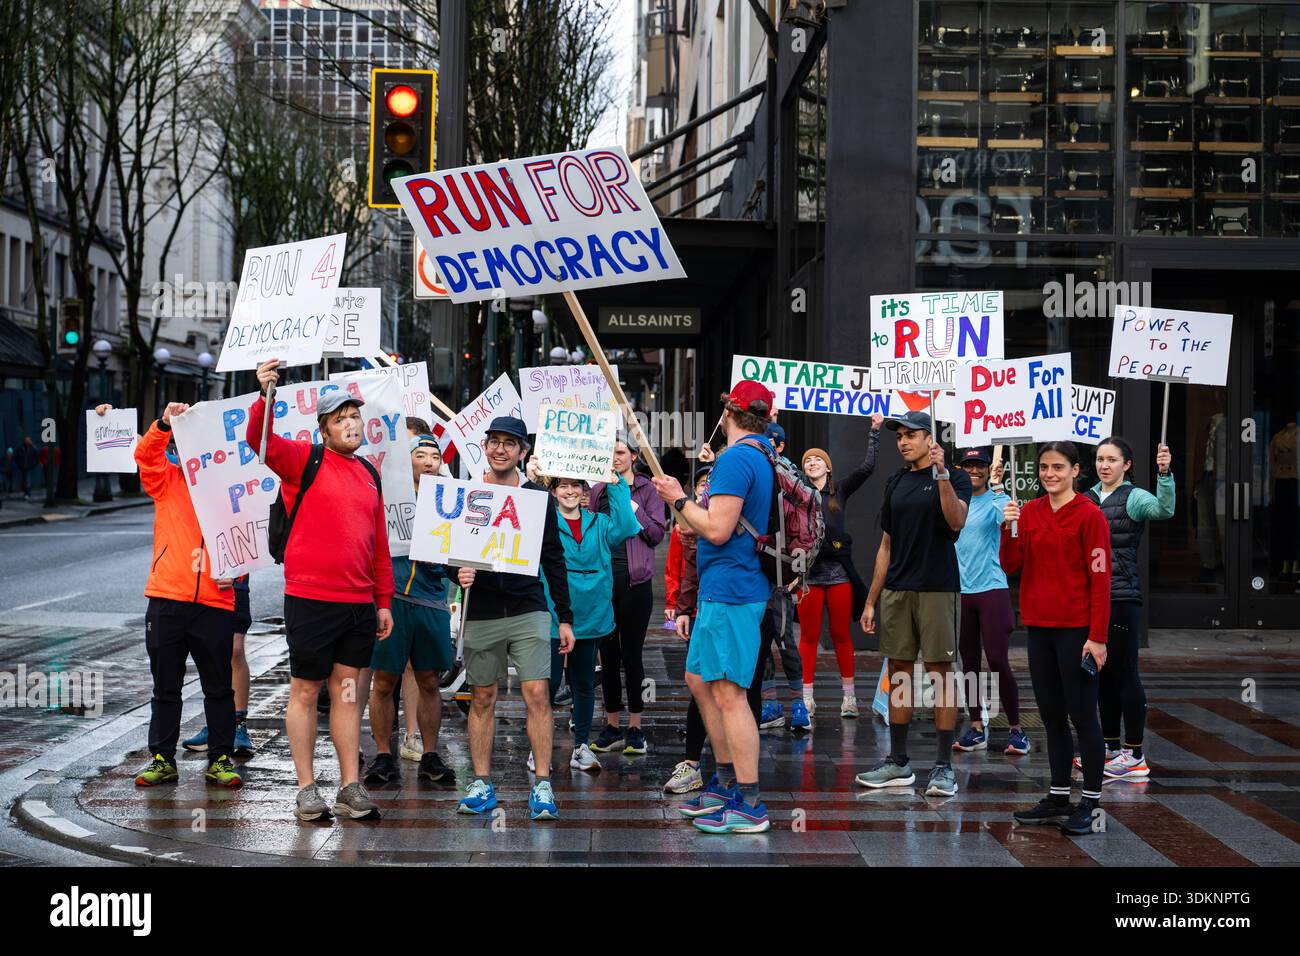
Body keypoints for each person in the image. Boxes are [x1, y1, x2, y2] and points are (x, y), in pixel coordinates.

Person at [248, 358, 394, 822]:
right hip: (310, 600)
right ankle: (307, 788)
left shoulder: (370, 474)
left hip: (357, 605)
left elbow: (379, 545)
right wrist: (264, 393)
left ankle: (350, 786)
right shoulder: (303, 459)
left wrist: (383, 601)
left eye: (355, 417)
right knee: (306, 691)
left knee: (348, 694)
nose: (351, 424)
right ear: (324, 429)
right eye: (340, 419)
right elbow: (260, 441)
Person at [652, 381, 776, 834]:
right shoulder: (760, 453)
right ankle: (726, 785)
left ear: (728, 414)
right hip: (722, 590)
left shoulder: (738, 458)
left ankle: (749, 802)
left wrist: (678, 499)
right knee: (699, 679)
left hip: (732, 590)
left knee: (729, 693)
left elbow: (718, 529)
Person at [453, 415, 574, 820]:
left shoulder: (538, 498)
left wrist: (565, 617)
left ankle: (542, 784)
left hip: (528, 608)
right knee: (482, 697)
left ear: (523, 452)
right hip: (482, 612)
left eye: (510, 443)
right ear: (485, 447)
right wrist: (457, 570)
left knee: (538, 694)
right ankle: (482, 782)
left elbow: (553, 558)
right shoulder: (469, 493)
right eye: (494, 442)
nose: (500, 448)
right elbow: (444, 548)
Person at [855, 410, 971, 798]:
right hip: (897, 590)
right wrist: (871, 599)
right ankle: (899, 762)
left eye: (910, 435)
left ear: (929, 439)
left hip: (938, 588)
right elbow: (886, 545)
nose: (902, 441)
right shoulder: (896, 480)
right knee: (900, 673)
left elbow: (956, 521)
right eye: (899, 436)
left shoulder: (955, 477)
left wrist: (940, 475)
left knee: (942, 675)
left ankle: (943, 767)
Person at [126, 402, 242, 789]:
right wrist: (161, 423)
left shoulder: (232, 489)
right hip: (167, 598)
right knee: (165, 687)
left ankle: (221, 758)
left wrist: (236, 572)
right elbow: (145, 454)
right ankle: (162, 759)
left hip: (214, 602)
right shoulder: (166, 479)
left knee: (219, 687)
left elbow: (249, 537)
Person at [1002, 441, 1112, 836]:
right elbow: (1012, 565)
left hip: (1077, 632)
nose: (1050, 474)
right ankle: (1059, 796)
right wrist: (1008, 526)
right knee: (1051, 717)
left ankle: (1092, 803)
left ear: (1075, 471)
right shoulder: (1028, 511)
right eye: (1045, 467)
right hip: (1039, 628)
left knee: (1083, 717)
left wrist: (1097, 638)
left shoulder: (1090, 516)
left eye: (1058, 467)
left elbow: (1101, 581)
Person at [363, 432, 456, 786]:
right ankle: (383, 755)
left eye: (435, 455)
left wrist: (461, 572)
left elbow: (458, 552)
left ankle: (430, 753)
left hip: (431, 600)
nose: (430, 460)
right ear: (407, 459)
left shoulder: (451, 501)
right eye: (421, 454)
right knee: (384, 680)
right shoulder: (388, 496)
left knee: (429, 680)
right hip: (393, 599)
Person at [1084, 437, 1175, 781]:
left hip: (1121, 597)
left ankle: (1134, 754)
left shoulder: (1134, 497)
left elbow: (1164, 510)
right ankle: (1110, 750)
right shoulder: (1088, 497)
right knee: (1102, 674)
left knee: (1124, 673)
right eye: (1099, 459)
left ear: (1127, 465)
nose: (1104, 465)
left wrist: (1164, 474)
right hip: (1093, 598)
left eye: (1111, 460)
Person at [543, 470, 640, 773]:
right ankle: (540, 746)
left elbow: (627, 526)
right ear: (554, 491)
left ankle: (581, 746)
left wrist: (617, 486)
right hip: (553, 615)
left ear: (585, 491)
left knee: (584, 684)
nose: (570, 491)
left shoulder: (599, 523)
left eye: (575, 485)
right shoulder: (544, 525)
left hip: (592, 615)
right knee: (546, 685)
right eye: (563, 486)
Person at [796, 413, 882, 722]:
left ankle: (849, 698)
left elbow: (868, 468)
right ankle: (807, 700)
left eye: (818, 459)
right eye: (808, 461)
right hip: (808, 574)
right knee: (807, 636)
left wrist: (874, 432)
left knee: (841, 634)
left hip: (838, 574)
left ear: (828, 466)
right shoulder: (798, 495)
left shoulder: (840, 490)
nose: (813, 463)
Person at [588, 432, 666, 756]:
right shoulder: (597, 490)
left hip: (636, 585)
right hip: (605, 585)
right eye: (610, 452)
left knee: (632, 655)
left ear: (633, 455)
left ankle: (635, 727)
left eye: (620, 452)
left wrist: (632, 505)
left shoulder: (648, 489)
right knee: (608, 657)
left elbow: (656, 534)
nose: (615, 458)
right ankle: (612, 725)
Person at [951, 447, 1028, 756]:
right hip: (959, 591)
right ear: (959, 467)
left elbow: (1006, 516)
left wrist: (1004, 497)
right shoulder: (953, 500)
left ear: (988, 468)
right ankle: (976, 727)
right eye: (969, 465)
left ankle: (1016, 729)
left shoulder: (998, 498)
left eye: (980, 465)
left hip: (991, 589)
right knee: (968, 662)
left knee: (997, 660)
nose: (974, 471)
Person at [756, 422, 807, 731]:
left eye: (772, 443)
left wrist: (798, 571)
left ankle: (799, 705)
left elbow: (804, 527)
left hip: (780, 571)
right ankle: (772, 705)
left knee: (785, 640)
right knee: (760, 643)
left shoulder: (791, 478)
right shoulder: (752, 471)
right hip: (753, 571)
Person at [664, 467, 711, 794]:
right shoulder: (690, 522)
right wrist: (680, 607)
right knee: (699, 683)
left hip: (742, 605)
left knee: (738, 692)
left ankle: (735, 776)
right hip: (702, 609)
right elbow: (684, 566)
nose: (707, 487)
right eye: (702, 484)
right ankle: (694, 763)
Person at [182, 574, 256, 756]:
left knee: (234, 649)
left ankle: (238, 725)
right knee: (212, 651)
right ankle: (215, 726)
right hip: (197, 581)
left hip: (234, 580)